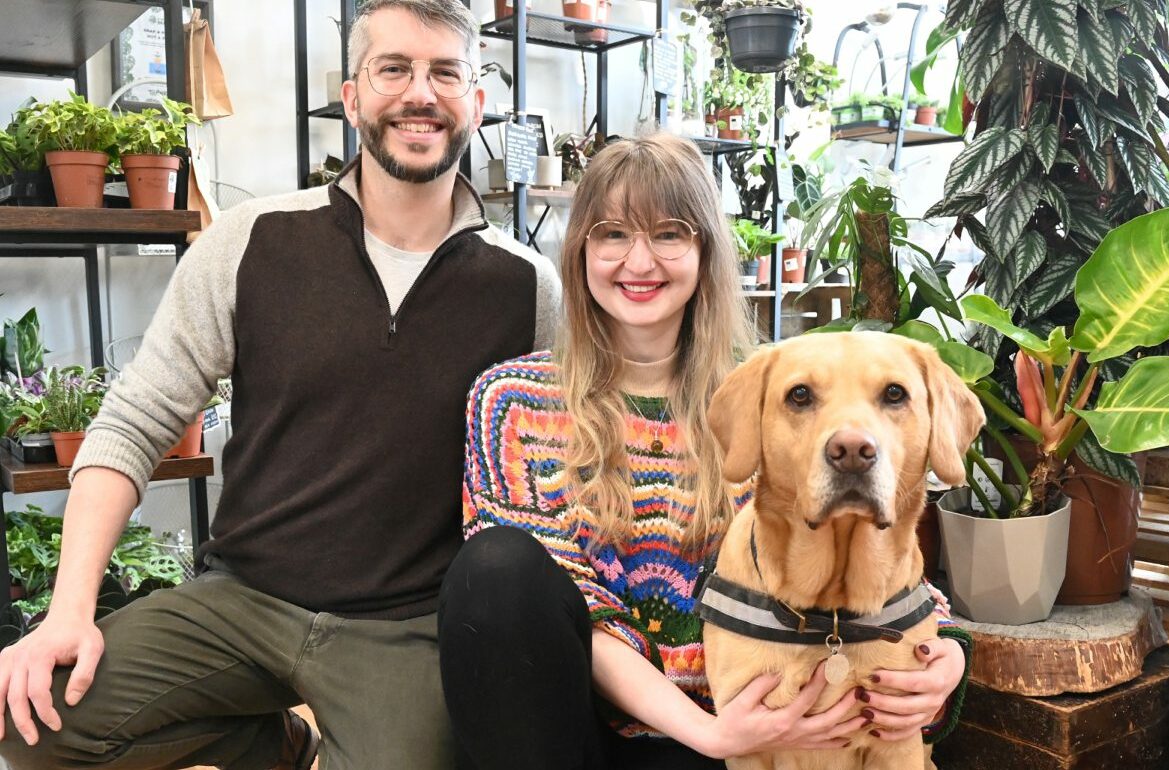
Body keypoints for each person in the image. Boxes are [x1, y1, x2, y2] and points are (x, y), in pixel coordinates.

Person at [0, 1, 559, 768]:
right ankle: (278, 743)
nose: (419, 94)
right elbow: (132, 424)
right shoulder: (252, 240)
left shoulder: (530, 289)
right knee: (32, 724)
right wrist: (68, 612)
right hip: (241, 599)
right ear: (353, 95)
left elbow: (567, 465)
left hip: (400, 627)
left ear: (476, 101)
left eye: (444, 73)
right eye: (392, 69)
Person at [438, 133, 968, 770]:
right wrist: (708, 732)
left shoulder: (774, 400)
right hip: (577, 732)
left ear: (704, 252)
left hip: (738, 738)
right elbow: (560, 609)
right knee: (492, 570)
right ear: (579, 252)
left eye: (669, 234)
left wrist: (949, 659)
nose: (640, 261)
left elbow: (879, 562)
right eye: (612, 234)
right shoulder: (512, 402)